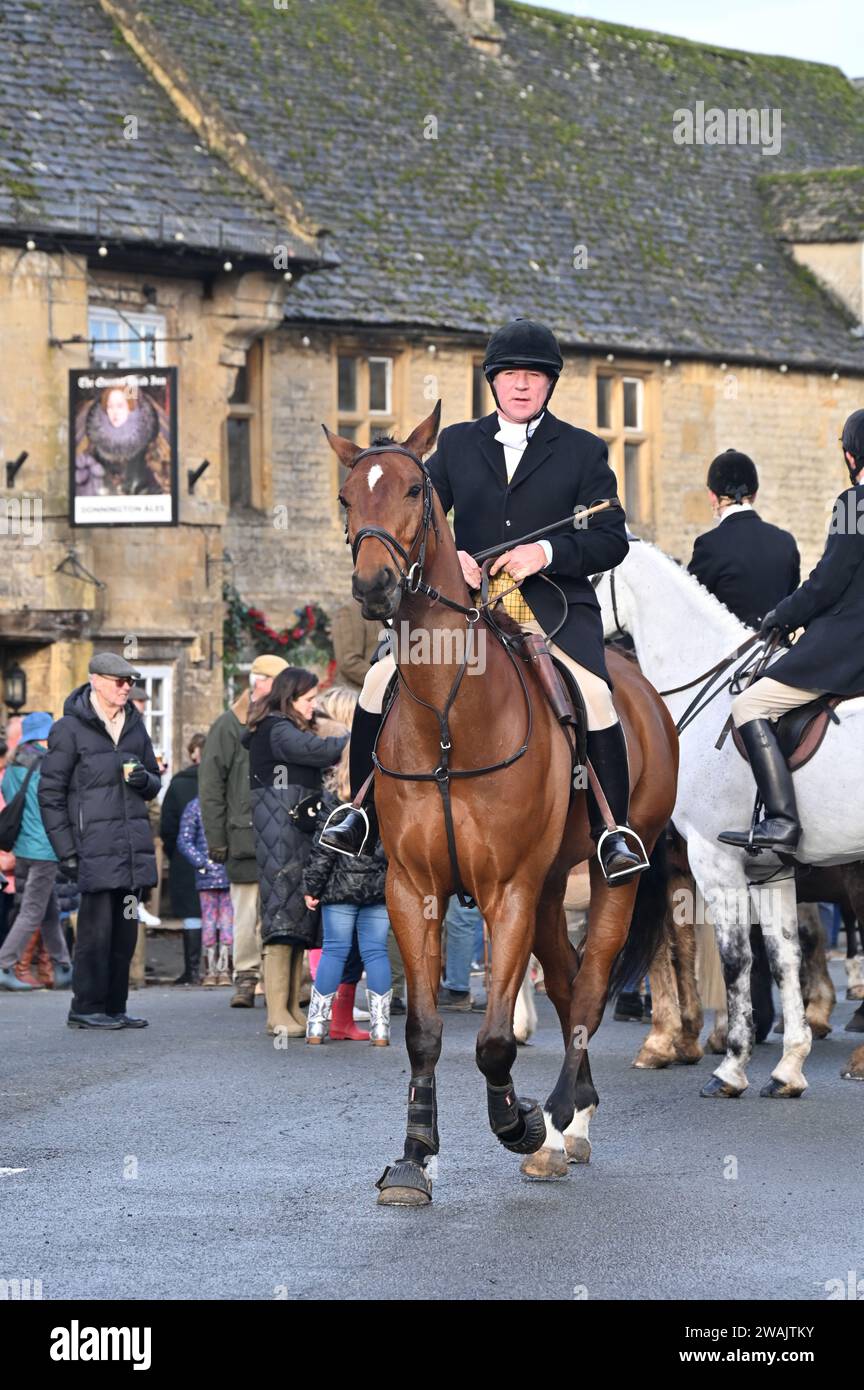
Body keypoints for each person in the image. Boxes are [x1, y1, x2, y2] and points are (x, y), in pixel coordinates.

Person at [321, 317, 646, 884]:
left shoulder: (582, 451)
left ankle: (611, 829)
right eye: (510, 375)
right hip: (463, 607)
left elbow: (611, 537)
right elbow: (418, 516)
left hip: (546, 608)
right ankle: (360, 811)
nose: (521, 385)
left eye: (534, 376)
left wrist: (544, 552)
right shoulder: (457, 445)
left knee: (594, 693)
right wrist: (456, 556)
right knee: (376, 681)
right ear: (493, 382)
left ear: (550, 384)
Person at [720, 410, 864, 851]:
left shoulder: (854, 504)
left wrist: (782, 616)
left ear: (849, 455)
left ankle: (782, 821)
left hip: (848, 648)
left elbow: (828, 580)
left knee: (748, 704)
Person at [38, 652, 161, 1029]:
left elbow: (153, 781)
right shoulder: (69, 729)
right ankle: (86, 1007)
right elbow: (50, 794)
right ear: (96, 680)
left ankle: (113, 1007)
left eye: (130, 682)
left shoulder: (135, 726)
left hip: (130, 851)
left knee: (124, 934)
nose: (127, 687)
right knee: (95, 934)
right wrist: (66, 851)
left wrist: (143, 780)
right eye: (119, 681)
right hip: (91, 849)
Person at [243, 668, 347, 1039]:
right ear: (290, 699)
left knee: (295, 919)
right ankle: (276, 1013)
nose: (314, 705)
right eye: (308, 700)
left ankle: (288, 1008)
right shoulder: (276, 729)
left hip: (289, 828)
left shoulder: (279, 726)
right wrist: (354, 738)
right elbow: (316, 750)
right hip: (281, 830)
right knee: (281, 920)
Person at [303, 687, 392, 1043]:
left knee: (335, 952)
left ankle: (315, 1026)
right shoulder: (388, 801)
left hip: (339, 889)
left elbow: (322, 851)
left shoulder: (333, 802)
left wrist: (313, 887)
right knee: (376, 952)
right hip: (378, 889)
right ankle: (382, 1029)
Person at [199, 655, 288, 1007]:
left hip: (280, 836)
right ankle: (247, 977)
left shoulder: (284, 723)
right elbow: (210, 785)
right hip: (244, 836)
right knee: (247, 912)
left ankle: (277, 980)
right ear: (261, 683)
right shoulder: (228, 725)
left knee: (279, 911)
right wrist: (216, 840)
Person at [0, 712, 73, 992]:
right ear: (46, 734)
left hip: (23, 848)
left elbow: (9, 797)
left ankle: (63, 965)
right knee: (32, 911)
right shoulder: (47, 765)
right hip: (45, 849)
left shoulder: (13, 765)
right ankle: (4, 963)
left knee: (49, 909)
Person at [688, 449, 800, 629]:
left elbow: (691, 608)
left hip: (732, 655)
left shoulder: (708, 545)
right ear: (754, 494)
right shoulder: (785, 542)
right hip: (782, 654)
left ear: (712, 495)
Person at [160, 733, 206, 985]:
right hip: (219, 857)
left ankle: (192, 970)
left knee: (192, 914)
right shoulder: (224, 780)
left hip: (185, 857)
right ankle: (217, 970)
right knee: (221, 913)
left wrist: (175, 853)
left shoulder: (179, 783)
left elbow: (168, 826)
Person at [177, 795, 233, 986]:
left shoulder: (194, 805)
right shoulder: (229, 803)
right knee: (221, 921)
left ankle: (216, 969)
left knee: (217, 921)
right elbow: (184, 840)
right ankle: (218, 969)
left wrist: (200, 863)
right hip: (225, 870)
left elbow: (184, 840)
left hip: (211, 873)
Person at [330, 600, 384, 691]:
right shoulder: (352, 611)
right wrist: (386, 682)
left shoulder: (390, 608)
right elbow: (349, 662)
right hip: (357, 696)